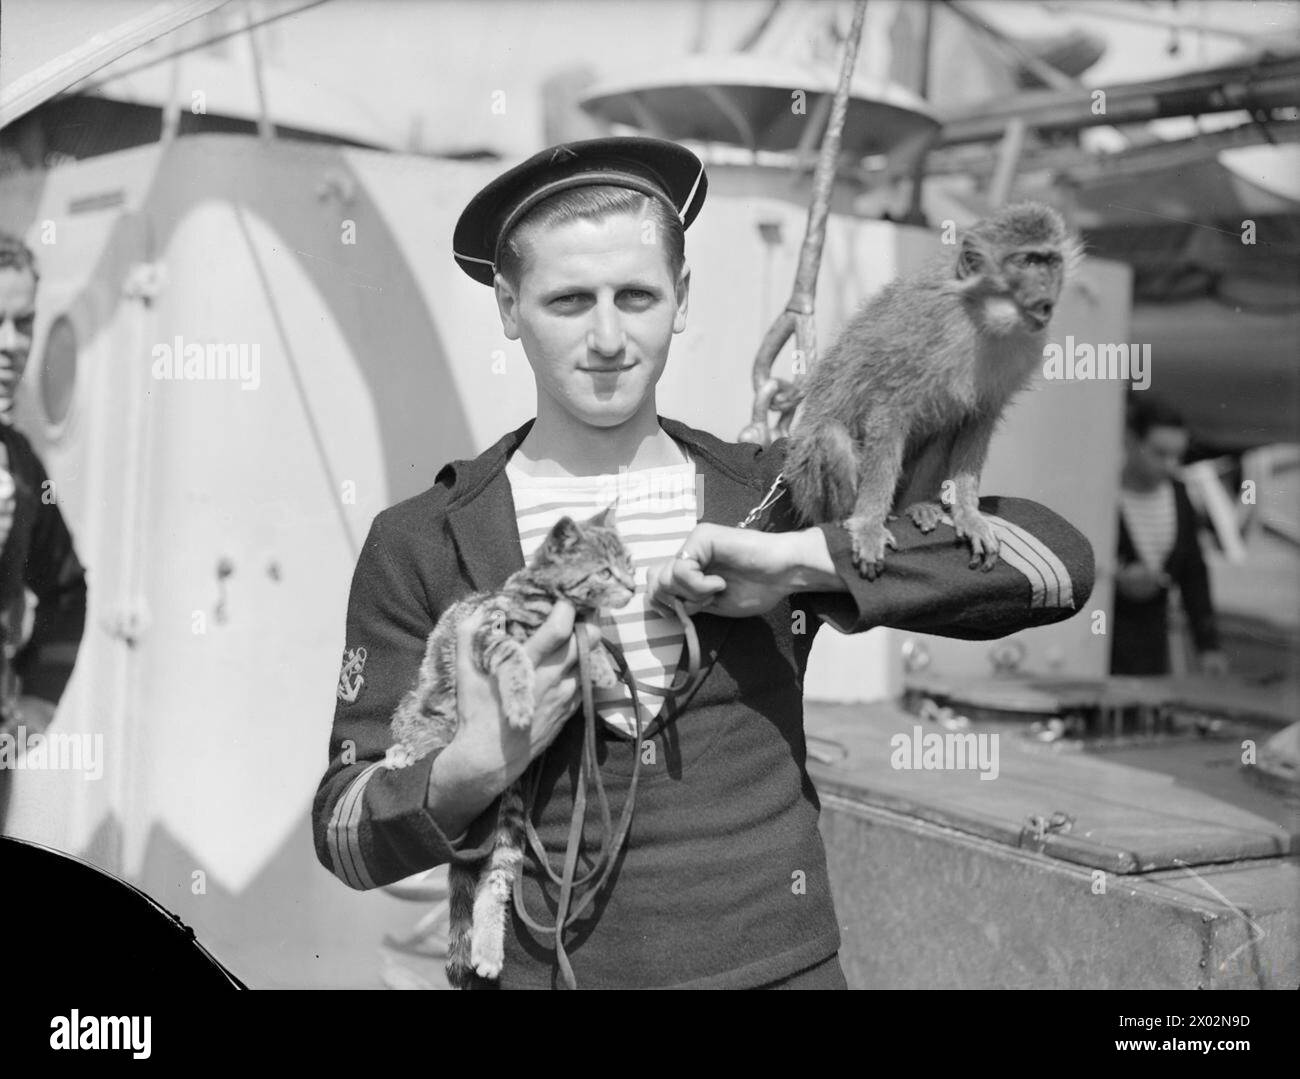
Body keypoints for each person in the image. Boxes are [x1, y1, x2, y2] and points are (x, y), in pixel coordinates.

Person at [311, 137, 1094, 989]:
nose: (608, 337)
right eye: (570, 299)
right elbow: (345, 829)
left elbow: (1058, 567)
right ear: (508, 306)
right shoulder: (425, 537)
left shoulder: (771, 491)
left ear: (681, 299)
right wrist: (471, 767)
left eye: (637, 296)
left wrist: (804, 560)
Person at [0, 231, 89, 828]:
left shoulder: (21, 464)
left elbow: (66, 589)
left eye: (25, 321)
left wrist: (33, 701)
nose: (12, 345)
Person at [1111, 395, 1226, 678]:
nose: (1170, 465)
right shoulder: (1104, 494)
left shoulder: (1179, 495)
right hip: (1101, 639)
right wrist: (1115, 577)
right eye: (1160, 453)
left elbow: (1194, 573)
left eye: (1177, 455)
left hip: (1152, 647)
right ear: (1130, 441)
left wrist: (1207, 645)